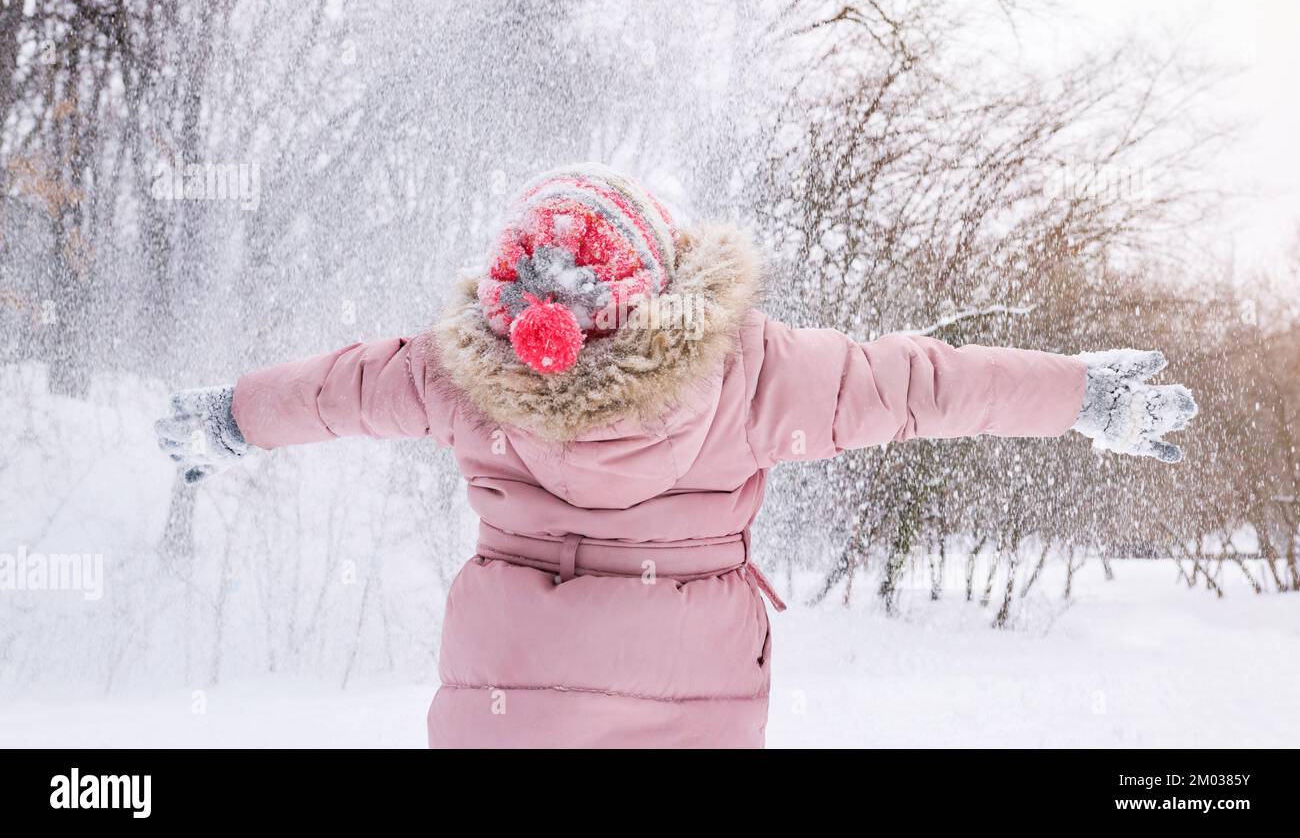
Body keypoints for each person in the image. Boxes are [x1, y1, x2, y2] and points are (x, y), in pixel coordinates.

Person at [154, 162, 1197, 748]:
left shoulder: (454, 370)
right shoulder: (751, 371)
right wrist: (1082, 394)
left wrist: (230, 417)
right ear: (664, 279)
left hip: (502, 699)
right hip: (689, 696)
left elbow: (339, 387)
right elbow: (925, 384)